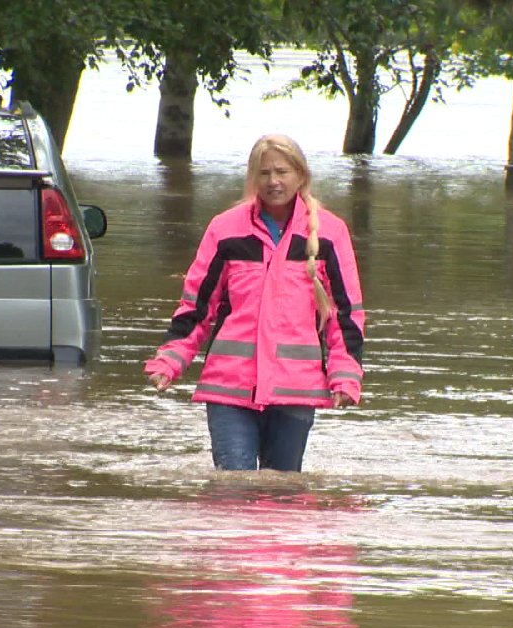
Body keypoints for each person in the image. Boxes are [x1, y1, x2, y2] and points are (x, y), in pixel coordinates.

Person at [145, 134, 365, 471]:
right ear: (252, 178)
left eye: (282, 172)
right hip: (229, 388)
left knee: (282, 494)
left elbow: (345, 315)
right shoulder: (225, 229)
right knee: (233, 489)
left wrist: (345, 376)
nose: (273, 181)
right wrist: (169, 361)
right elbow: (197, 306)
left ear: (300, 175)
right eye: (264, 173)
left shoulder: (331, 233)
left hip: (295, 388)